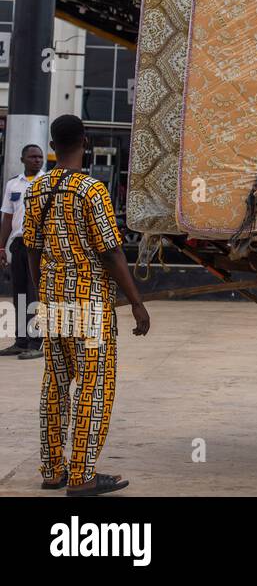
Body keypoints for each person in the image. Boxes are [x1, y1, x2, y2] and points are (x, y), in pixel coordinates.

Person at [23, 115, 150, 496]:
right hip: (90, 307)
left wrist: (43, 290)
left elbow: (32, 249)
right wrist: (136, 303)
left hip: (53, 303)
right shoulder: (91, 191)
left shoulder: (36, 189)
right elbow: (111, 253)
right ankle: (82, 476)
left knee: (55, 386)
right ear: (85, 140)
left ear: (52, 144)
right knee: (94, 389)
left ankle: (52, 470)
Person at [1, 144, 45, 358]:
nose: (37, 160)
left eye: (40, 157)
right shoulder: (12, 185)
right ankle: (21, 341)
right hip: (18, 245)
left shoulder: (47, 183)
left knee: (34, 293)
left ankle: (36, 343)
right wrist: (1, 246)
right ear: (23, 159)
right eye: (33, 157)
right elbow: (7, 217)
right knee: (19, 294)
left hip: (39, 245)